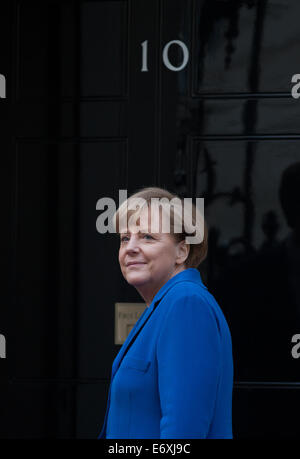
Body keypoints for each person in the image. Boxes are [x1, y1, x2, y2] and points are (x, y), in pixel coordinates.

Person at [98, 187, 233, 439]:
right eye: (125, 238)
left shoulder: (187, 304)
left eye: (147, 237)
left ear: (182, 251)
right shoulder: (165, 305)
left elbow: (184, 433)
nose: (130, 248)